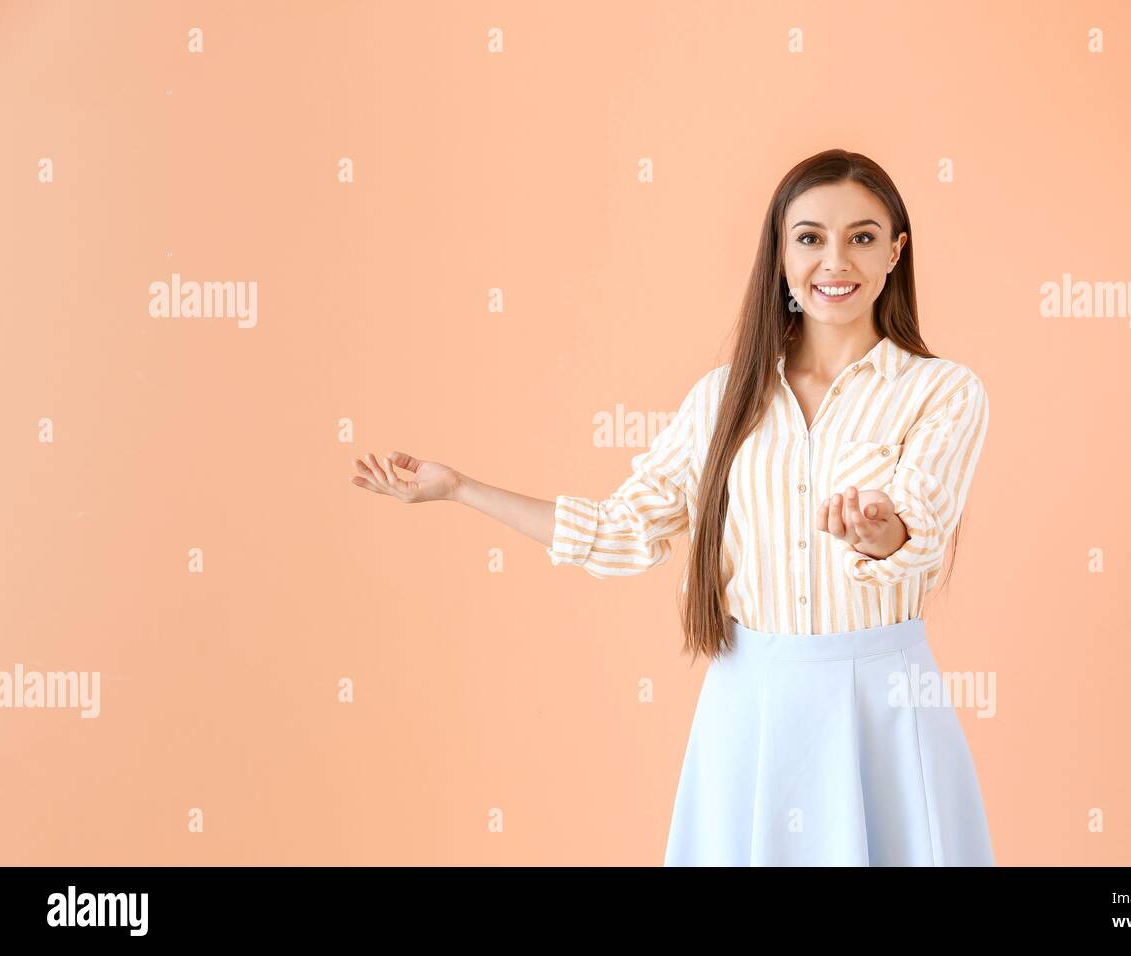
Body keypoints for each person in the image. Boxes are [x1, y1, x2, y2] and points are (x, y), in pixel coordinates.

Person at [350, 148, 993, 867]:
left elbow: (920, 527)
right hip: (750, 707)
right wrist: (461, 488)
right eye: (809, 237)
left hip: (885, 702)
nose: (834, 260)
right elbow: (622, 533)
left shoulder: (944, 392)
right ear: (779, 252)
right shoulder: (722, 399)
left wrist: (882, 531)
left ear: (895, 253)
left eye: (862, 236)